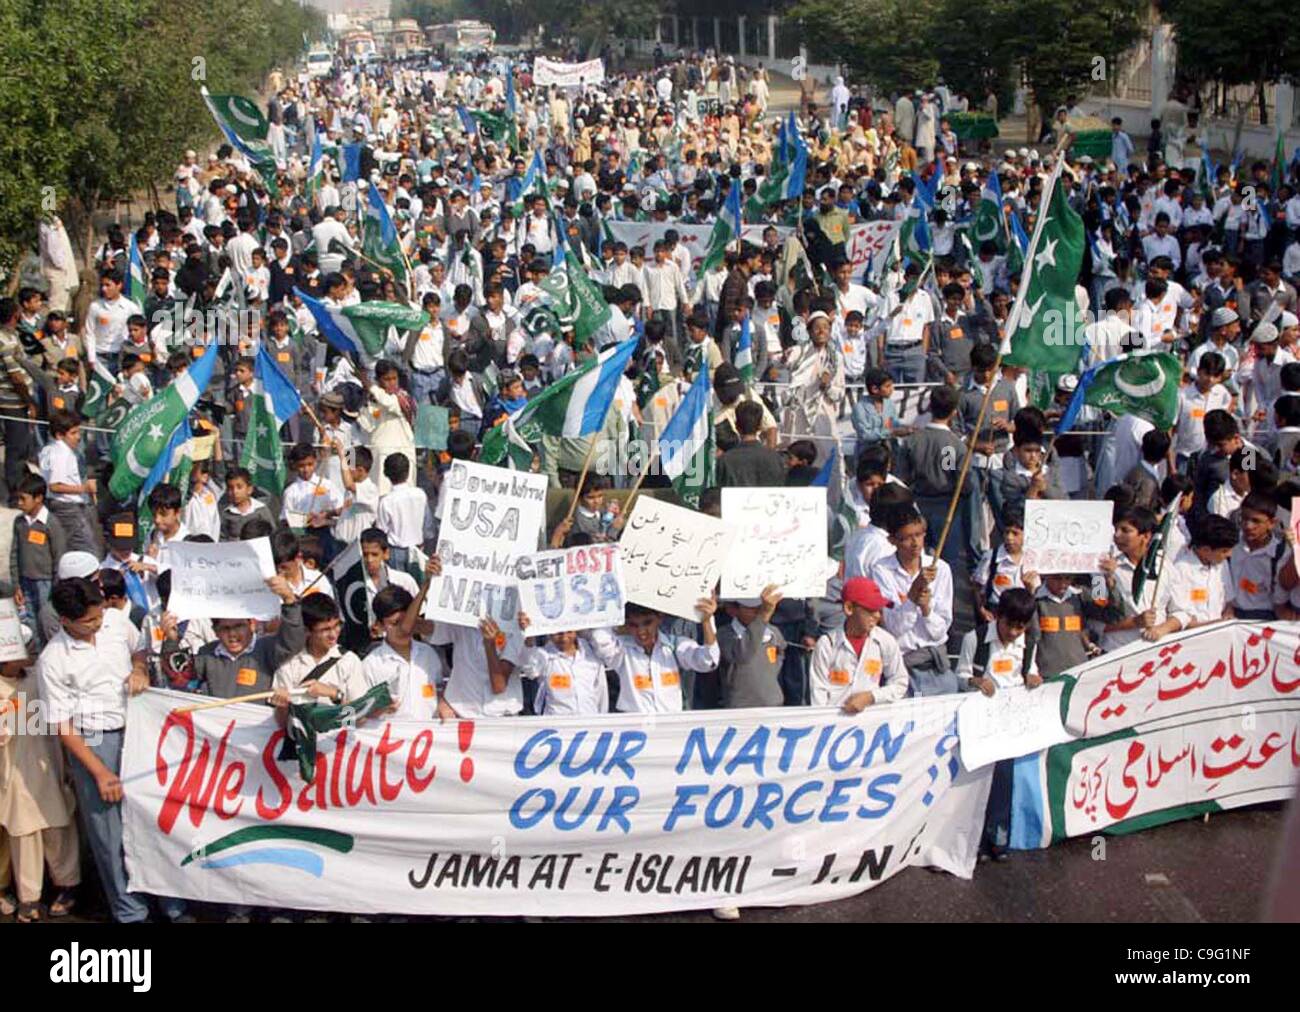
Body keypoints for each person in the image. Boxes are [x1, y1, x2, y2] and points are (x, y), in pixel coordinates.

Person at [37, 578, 158, 923]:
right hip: (93, 741)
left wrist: (138, 668)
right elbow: (62, 725)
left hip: (138, 729)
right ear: (65, 621)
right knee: (109, 834)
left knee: (149, 820)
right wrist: (100, 772)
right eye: (88, 621)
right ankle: (130, 911)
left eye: (99, 615)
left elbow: (140, 650)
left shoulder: (117, 623)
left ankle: (166, 901)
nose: (97, 624)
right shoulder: (53, 660)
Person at [0, 625, 81, 922]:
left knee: (59, 827)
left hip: (50, 766)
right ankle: (29, 897)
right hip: (15, 774)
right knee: (24, 835)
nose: (32, 653)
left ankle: (68, 886)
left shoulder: (39, 678)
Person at [955, 588, 1042, 862]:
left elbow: (1032, 670)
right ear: (998, 617)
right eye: (1010, 626)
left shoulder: (1029, 641)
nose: (1015, 633)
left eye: (1020, 627)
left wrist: (1032, 677)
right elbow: (961, 675)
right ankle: (977, 842)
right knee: (980, 782)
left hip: (1011, 722)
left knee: (1005, 783)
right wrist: (976, 682)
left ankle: (999, 840)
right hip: (982, 720)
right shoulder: (976, 638)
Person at [869, 508, 955, 695]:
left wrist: (926, 609)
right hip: (903, 667)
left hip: (937, 663)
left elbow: (941, 629)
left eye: (918, 535)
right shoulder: (881, 570)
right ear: (892, 540)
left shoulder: (941, 568)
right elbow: (894, 627)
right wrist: (912, 596)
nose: (915, 543)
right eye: (907, 537)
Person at [587, 600, 719, 713]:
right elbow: (600, 639)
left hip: (671, 728)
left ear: (660, 618)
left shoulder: (674, 645)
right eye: (633, 625)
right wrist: (609, 608)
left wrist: (707, 621)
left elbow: (708, 661)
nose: (641, 631)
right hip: (633, 729)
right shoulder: (621, 650)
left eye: (647, 623)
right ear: (626, 625)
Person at [809, 576, 908, 710]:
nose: (877, 615)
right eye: (870, 610)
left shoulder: (886, 641)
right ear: (849, 608)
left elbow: (900, 683)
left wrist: (871, 697)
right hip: (834, 726)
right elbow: (818, 696)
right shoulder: (827, 644)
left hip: (871, 726)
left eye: (879, 610)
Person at [716, 584, 787, 709]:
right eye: (751, 608)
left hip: (772, 704)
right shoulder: (724, 635)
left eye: (761, 607)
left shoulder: (774, 632)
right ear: (731, 610)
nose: (759, 612)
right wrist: (763, 617)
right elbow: (743, 655)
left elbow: (780, 655)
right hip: (740, 707)